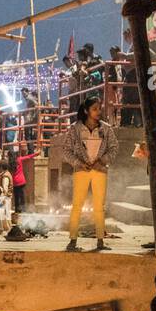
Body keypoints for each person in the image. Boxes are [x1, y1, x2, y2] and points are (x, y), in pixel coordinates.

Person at [52, 95, 118, 252]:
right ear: (86, 111)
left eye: (99, 109)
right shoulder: (75, 129)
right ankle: (73, 240)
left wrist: (102, 160)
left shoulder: (106, 129)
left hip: (100, 170)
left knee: (99, 207)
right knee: (77, 206)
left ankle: (100, 241)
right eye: (95, 109)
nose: (98, 112)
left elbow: (114, 147)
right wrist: (79, 163)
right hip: (81, 171)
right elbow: (66, 150)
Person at [12, 149, 36, 214]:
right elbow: (28, 157)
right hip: (21, 181)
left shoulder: (10, 163)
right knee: (22, 196)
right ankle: (23, 209)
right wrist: (36, 154)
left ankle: (17, 210)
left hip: (15, 182)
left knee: (16, 197)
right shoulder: (19, 159)